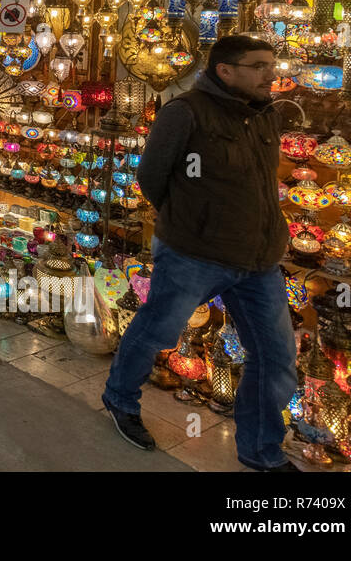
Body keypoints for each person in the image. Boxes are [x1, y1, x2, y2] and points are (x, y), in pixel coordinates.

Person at [102, 35, 297, 472]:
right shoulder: (184, 112)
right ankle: (120, 398)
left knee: (275, 358)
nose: (272, 74)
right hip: (194, 252)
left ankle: (262, 452)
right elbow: (152, 177)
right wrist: (193, 221)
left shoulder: (266, 115)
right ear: (226, 70)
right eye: (260, 65)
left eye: (273, 64)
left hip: (259, 259)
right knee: (156, 331)